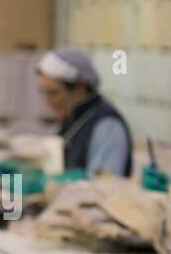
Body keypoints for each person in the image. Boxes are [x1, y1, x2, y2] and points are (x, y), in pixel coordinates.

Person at [35, 47, 131, 177]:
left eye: (53, 93)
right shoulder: (73, 118)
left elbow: (103, 187)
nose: (47, 101)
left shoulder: (107, 126)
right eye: (43, 92)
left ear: (80, 87)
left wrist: (56, 184)